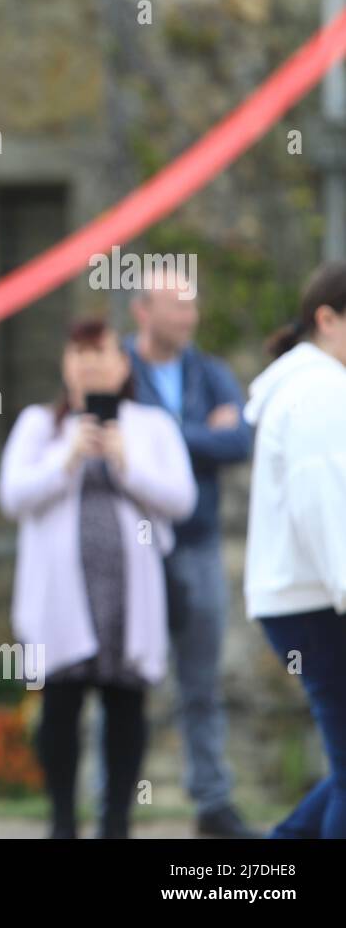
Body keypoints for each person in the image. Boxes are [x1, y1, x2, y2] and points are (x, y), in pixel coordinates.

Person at [0, 318, 196, 838]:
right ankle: (63, 822)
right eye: (79, 354)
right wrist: (69, 457)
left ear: (122, 364)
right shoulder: (40, 425)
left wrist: (125, 462)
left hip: (129, 599)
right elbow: (13, 495)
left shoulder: (151, 426)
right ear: (66, 366)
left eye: (100, 353)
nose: (89, 363)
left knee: (125, 706)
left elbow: (182, 498)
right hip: (62, 597)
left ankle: (116, 825)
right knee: (61, 708)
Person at [127, 272, 257, 837]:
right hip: (136, 553)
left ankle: (212, 802)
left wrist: (165, 437)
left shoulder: (210, 371)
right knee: (125, 679)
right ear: (142, 311)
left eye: (192, 307)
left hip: (199, 547)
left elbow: (242, 440)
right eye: (176, 307)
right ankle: (115, 800)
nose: (189, 318)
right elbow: (113, 439)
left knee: (201, 682)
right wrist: (198, 432)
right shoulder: (119, 370)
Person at [243, 262, 346, 839]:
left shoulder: (317, 385)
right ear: (327, 319)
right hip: (320, 605)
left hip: (308, 601)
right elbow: (324, 503)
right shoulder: (320, 389)